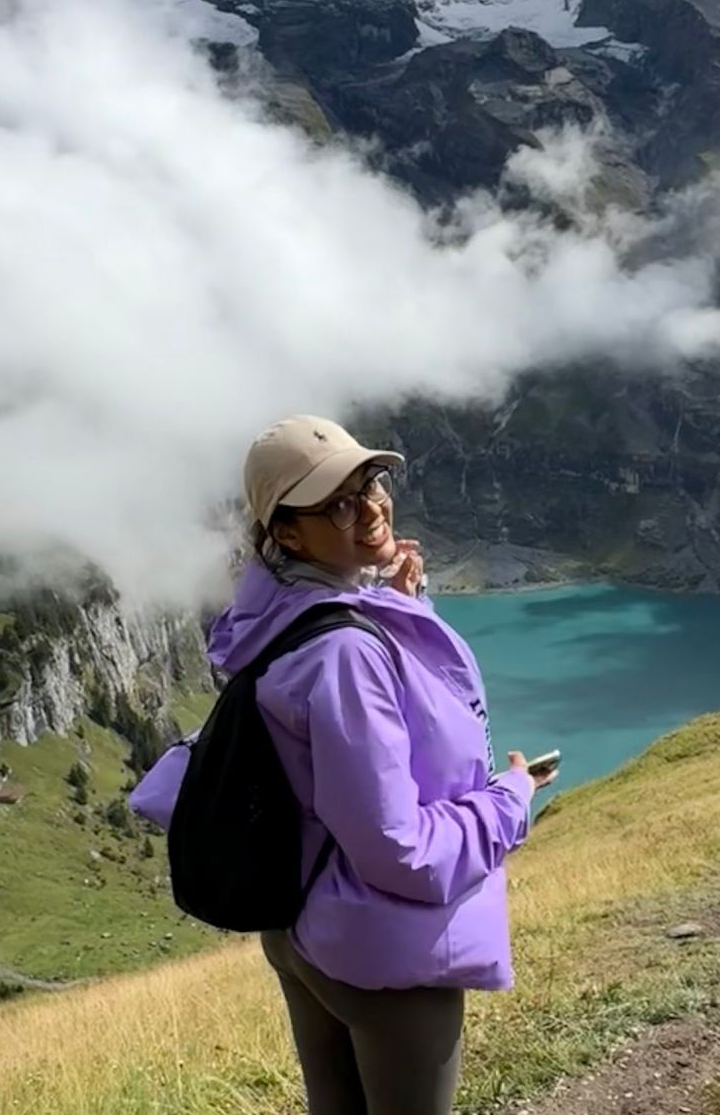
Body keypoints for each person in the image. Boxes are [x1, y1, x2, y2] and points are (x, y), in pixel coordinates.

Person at [211, 414, 559, 1115]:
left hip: (301, 921)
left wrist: (395, 607)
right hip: (384, 951)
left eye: (371, 481)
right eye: (337, 501)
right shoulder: (347, 651)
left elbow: (334, 722)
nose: (370, 506)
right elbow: (399, 852)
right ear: (286, 532)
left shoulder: (281, 616)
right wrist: (510, 798)